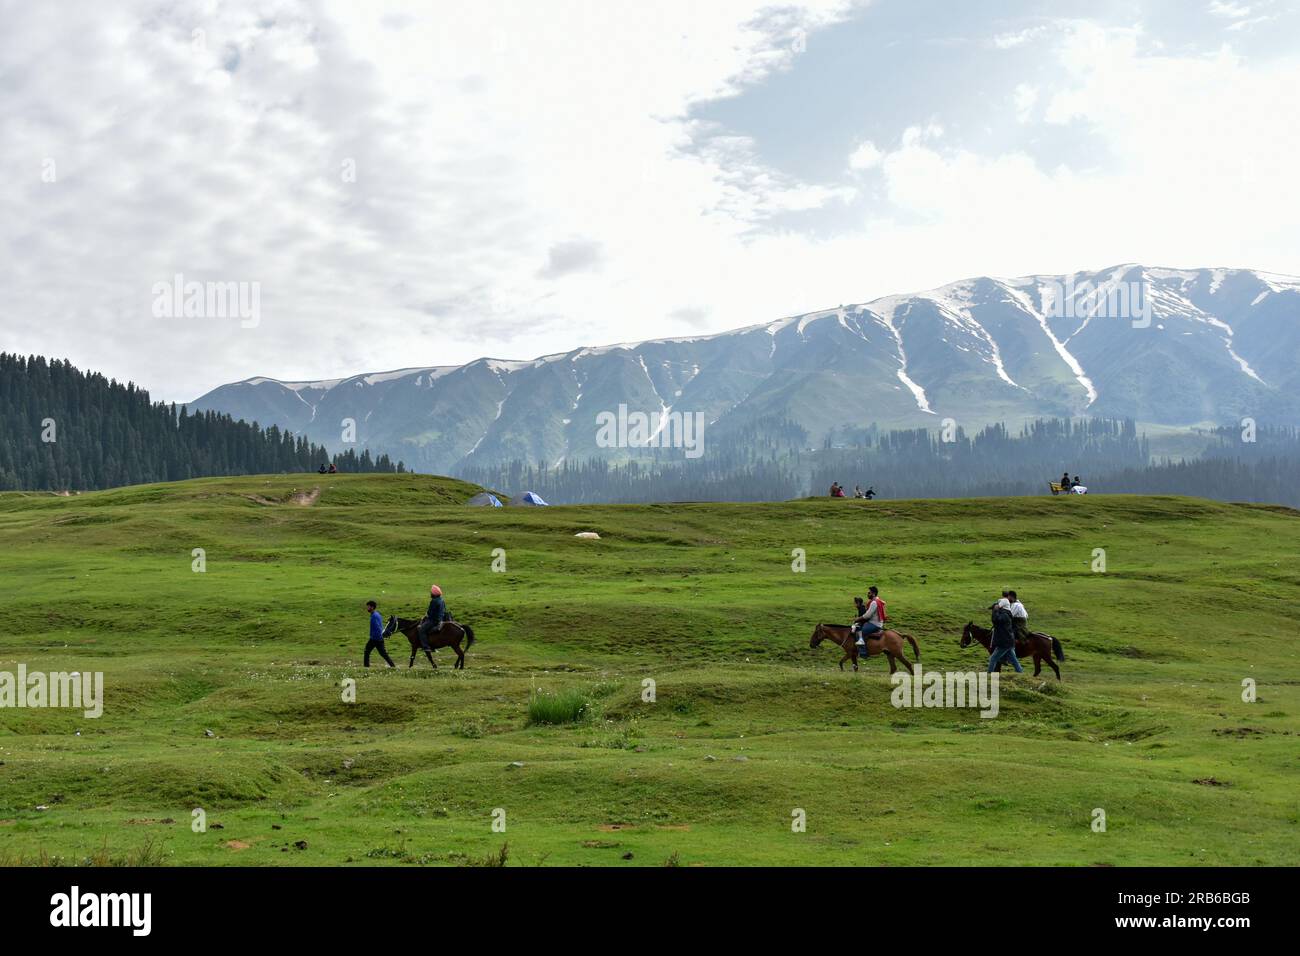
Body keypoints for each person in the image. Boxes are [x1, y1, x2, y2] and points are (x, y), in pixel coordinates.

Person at [987, 597, 1023, 673]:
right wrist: (995, 610)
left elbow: (995, 620)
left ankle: (989, 675)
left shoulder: (1005, 615)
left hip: (1004, 642)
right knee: (1014, 660)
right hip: (1008, 641)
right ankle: (1021, 673)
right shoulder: (1005, 614)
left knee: (993, 658)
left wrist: (995, 610)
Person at [363, 600, 395, 668]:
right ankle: (393, 666)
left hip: (375, 638)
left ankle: (366, 667)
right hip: (379, 638)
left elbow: (378, 627)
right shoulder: (377, 614)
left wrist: (379, 636)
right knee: (383, 654)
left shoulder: (374, 616)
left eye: (368, 607)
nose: (367, 608)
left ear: (372, 607)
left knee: (367, 651)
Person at [416, 584, 448, 651]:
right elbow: (444, 610)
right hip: (441, 619)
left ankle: (426, 647)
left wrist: (426, 616)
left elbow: (430, 613)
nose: (430, 594)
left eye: (431, 593)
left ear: (434, 594)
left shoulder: (434, 601)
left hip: (434, 620)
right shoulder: (442, 600)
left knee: (421, 629)